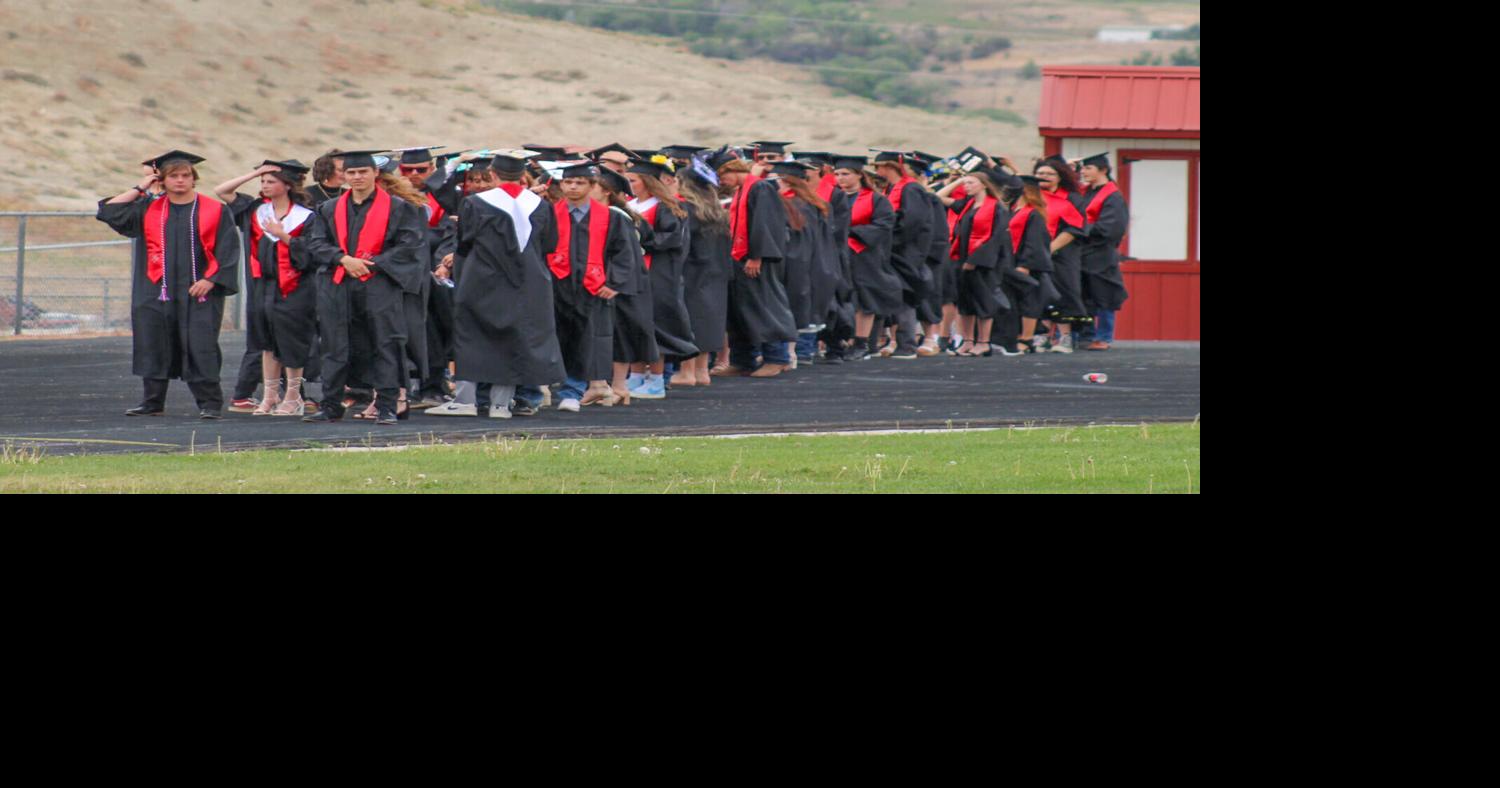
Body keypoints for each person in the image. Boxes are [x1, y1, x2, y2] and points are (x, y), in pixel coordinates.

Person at [96, 150, 241, 418]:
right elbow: (110, 211)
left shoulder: (215, 210)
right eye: (173, 176)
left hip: (199, 292)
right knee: (153, 342)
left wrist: (211, 279)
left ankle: (209, 404)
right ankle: (152, 402)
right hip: (155, 289)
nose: (180, 180)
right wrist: (142, 186)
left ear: (194, 179)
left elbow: (228, 249)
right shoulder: (148, 208)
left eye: (186, 175)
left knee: (201, 345)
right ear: (162, 180)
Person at [427, 152, 567, 419]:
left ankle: (465, 400)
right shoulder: (540, 205)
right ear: (522, 175)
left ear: (493, 174)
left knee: (472, 336)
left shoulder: (475, 203)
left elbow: (465, 241)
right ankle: (501, 405)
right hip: (529, 282)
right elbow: (549, 244)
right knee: (512, 338)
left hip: (483, 279)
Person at [300, 150, 427, 425]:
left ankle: (387, 406)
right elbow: (316, 242)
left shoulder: (398, 208)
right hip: (338, 282)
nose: (357, 177)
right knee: (334, 345)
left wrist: (372, 264)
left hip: (379, 283)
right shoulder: (329, 208)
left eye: (363, 172)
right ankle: (331, 404)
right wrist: (343, 259)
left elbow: (409, 245)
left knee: (385, 343)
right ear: (344, 175)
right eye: (351, 172)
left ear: (375, 173)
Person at [214, 160, 321, 415]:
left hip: (295, 289)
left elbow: (312, 255)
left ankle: (293, 397)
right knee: (267, 343)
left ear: (287, 185)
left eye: (271, 181)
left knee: (292, 343)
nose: (264, 185)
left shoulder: (307, 217)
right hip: (262, 287)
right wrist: (254, 173)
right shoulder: (256, 210)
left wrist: (283, 235)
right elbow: (222, 191)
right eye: (263, 181)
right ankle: (270, 396)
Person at [549, 161, 639, 411]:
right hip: (556, 287)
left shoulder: (610, 217)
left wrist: (614, 282)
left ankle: (572, 391)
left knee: (587, 340)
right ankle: (550, 388)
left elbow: (624, 253)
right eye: (568, 182)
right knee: (557, 338)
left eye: (579, 182)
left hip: (593, 289)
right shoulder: (548, 215)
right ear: (561, 185)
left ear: (591, 186)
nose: (573, 187)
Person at [714, 148, 796, 378]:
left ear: (731, 169)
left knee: (764, 307)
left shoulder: (760, 188)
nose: (721, 182)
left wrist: (756, 256)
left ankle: (777, 358)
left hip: (757, 260)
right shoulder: (743, 190)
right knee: (740, 311)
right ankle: (743, 360)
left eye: (722, 176)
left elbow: (765, 224)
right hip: (739, 259)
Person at [625, 156, 697, 400]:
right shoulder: (630, 205)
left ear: (647, 182)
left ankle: (655, 380)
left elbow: (671, 238)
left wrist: (641, 242)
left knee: (656, 326)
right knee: (634, 324)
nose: (629, 185)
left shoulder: (666, 206)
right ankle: (635, 376)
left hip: (657, 275)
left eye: (633, 180)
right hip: (632, 274)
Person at [672, 153, 732, 387]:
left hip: (692, 271)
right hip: (716, 271)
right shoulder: (717, 211)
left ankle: (687, 372)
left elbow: (683, 245)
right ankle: (701, 371)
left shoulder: (687, 209)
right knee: (708, 319)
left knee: (690, 319)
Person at [835, 155, 901, 362]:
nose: (840, 178)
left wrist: (851, 232)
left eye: (845, 174)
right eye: (837, 174)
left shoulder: (876, 199)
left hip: (865, 255)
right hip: (837, 254)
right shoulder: (834, 197)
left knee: (864, 299)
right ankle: (839, 341)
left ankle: (861, 343)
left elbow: (884, 225)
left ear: (859, 175)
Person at [872, 151, 933, 360]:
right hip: (894, 249)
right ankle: (896, 342)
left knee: (904, 295)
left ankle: (906, 344)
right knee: (895, 295)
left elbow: (912, 222)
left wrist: (889, 238)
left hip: (906, 251)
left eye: (878, 167)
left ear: (889, 167)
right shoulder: (894, 188)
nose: (876, 171)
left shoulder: (911, 189)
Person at [947, 170, 1013, 357]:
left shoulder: (997, 207)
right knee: (965, 303)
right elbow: (937, 196)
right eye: (965, 183)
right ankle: (968, 341)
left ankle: (984, 342)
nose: (966, 186)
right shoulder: (967, 205)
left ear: (984, 185)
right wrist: (956, 181)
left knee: (983, 302)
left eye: (971, 183)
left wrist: (975, 260)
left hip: (985, 263)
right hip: (963, 258)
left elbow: (996, 238)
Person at [1034, 158, 1091, 353]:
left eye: (1050, 174)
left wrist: (1050, 248)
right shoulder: (1031, 196)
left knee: (1064, 291)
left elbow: (1075, 228)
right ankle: (1042, 336)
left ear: (1060, 177)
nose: (1044, 177)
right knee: (1039, 292)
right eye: (1040, 173)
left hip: (1063, 252)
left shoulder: (1071, 198)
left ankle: (1065, 337)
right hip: (1035, 252)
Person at [1076, 152, 1130, 351]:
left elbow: (1111, 228)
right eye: (1082, 168)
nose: (1084, 172)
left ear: (1103, 170)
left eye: (1088, 168)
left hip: (1101, 252)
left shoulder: (1113, 196)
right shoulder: (1086, 191)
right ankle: (1086, 334)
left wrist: (1080, 229)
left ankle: (1104, 336)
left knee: (1104, 294)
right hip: (1082, 251)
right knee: (1083, 294)